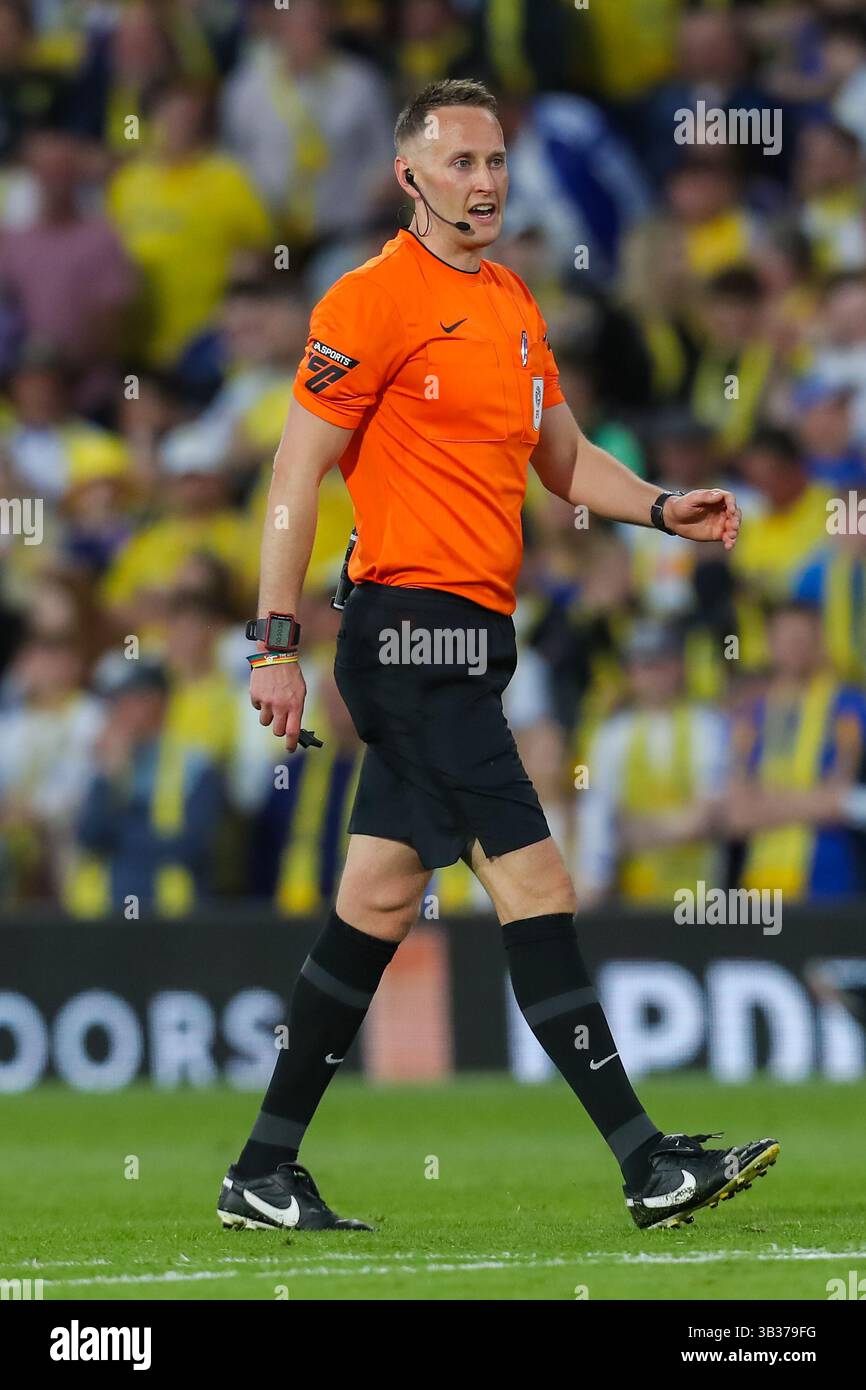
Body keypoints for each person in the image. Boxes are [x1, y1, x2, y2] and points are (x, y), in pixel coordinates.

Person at [219, 78, 778, 1237]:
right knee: (536, 881)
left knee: (376, 898)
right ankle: (644, 1162)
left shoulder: (515, 300)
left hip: (469, 641)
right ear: (408, 175)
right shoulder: (370, 300)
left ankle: (261, 1170)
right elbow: (293, 473)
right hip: (406, 633)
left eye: (493, 161)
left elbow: (562, 458)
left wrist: (661, 505)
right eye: (458, 161)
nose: (482, 182)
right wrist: (273, 643)